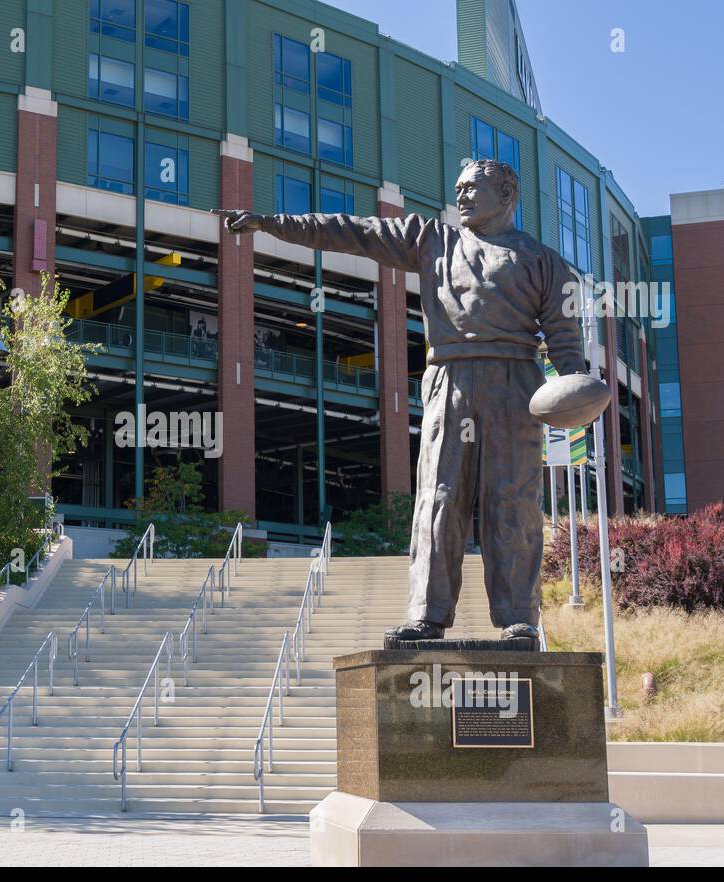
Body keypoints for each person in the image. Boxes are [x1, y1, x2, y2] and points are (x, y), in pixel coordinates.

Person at [214, 160, 587, 642]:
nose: (462, 198)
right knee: (437, 496)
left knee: (513, 498)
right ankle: (427, 614)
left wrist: (577, 387)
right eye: (458, 190)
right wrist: (270, 223)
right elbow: (353, 231)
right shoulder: (432, 239)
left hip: (516, 381)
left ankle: (519, 617)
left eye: (473, 188)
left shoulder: (545, 262)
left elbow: (564, 339)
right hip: (447, 376)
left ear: (508, 192)